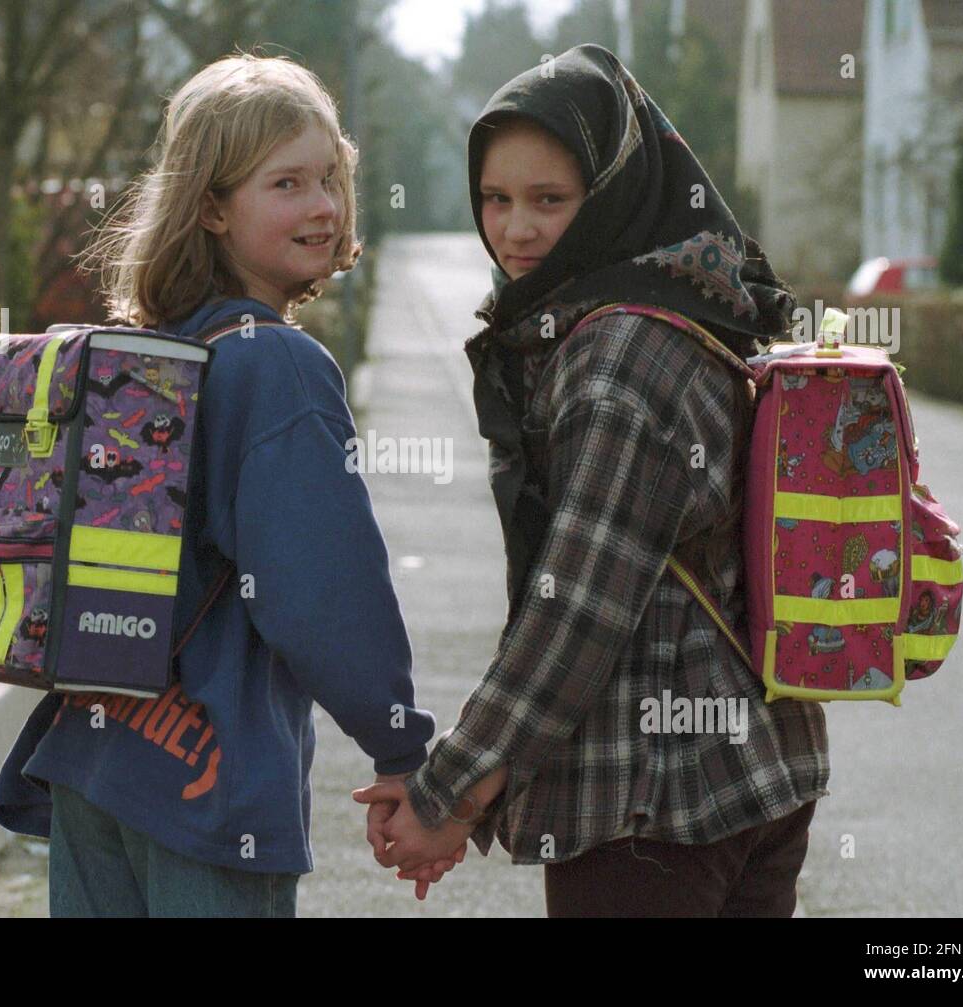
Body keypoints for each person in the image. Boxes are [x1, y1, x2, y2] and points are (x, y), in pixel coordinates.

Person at [354, 44, 830, 917]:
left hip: (652, 807)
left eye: (550, 201)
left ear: (610, 195)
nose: (516, 230)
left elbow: (577, 607)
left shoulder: (617, 358)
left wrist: (445, 795)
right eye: (496, 200)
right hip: (756, 776)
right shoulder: (688, 306)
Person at [0, 53, 441, 917]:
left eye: (331, 179)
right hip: (209, 788)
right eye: (286, 184)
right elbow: (324, 594)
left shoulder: (158, 356)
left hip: (95, 757)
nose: (323, 206)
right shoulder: (281, 369)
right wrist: (401, 752)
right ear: (212, 207)